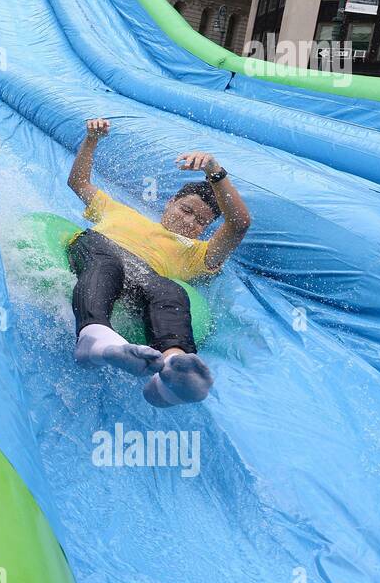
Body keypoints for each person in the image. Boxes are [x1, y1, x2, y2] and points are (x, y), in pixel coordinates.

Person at [66, 117, 252, 407]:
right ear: (170, 203)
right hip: (101, 247)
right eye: (186, 210)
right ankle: (95, 338)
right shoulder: (120, 211)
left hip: (145, 274)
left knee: (170, 291)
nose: (189, 221)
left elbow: (239, 223)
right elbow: (78, 182)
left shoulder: (198, 253)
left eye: (201, 221)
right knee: (107, 265)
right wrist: (91, 140)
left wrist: (214, 170)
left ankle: (173, 367)